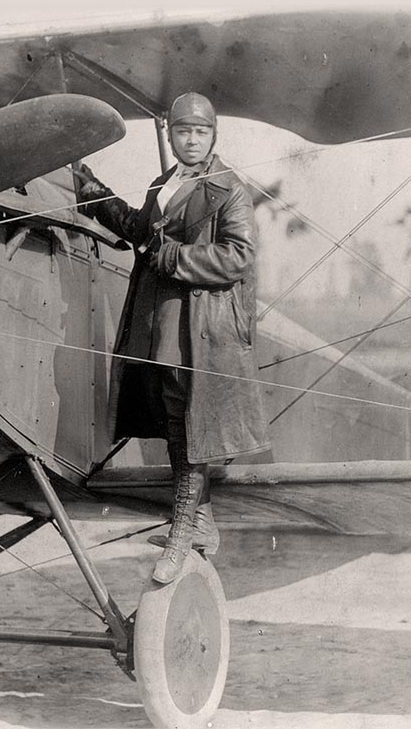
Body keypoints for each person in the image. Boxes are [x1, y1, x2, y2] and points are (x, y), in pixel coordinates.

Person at [75, 92, 270, 583]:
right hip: (162, 319)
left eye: (200, 132)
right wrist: (92, 190)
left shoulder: (229, 189)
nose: (191, 139)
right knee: (173, 414)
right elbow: (138, 229)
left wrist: (174, 259)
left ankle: (183, 530)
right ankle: (200, 522)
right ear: (171, 135)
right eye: (183, 131)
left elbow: (238, 258)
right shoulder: (165, 183)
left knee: (189, 420)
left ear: (213, 136)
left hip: (198, 324)